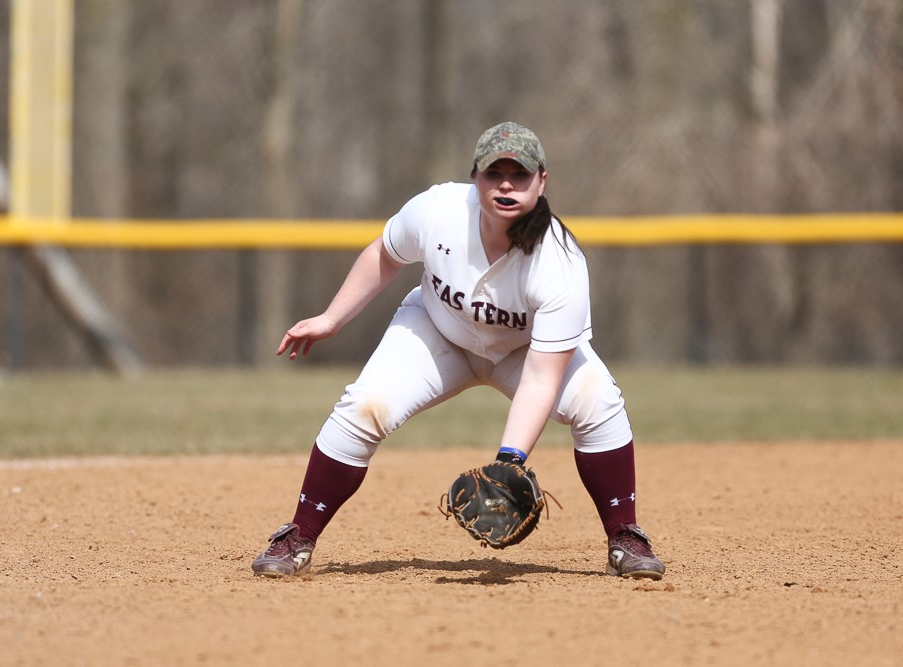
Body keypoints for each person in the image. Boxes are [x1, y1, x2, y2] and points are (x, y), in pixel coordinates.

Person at [251, 121, 665, 580]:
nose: (506, 184)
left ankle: (625, 535)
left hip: (522, 352)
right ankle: (298, 536)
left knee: (599, 403)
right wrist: (332, 317)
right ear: (475, 177)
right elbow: (386, 255)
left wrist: (511, 460)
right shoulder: (437, 210)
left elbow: (542, 377)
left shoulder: (559, 263)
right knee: (363, 406)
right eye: (494, 173)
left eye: (520, 174)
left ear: (542, 181)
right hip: (438, 331)